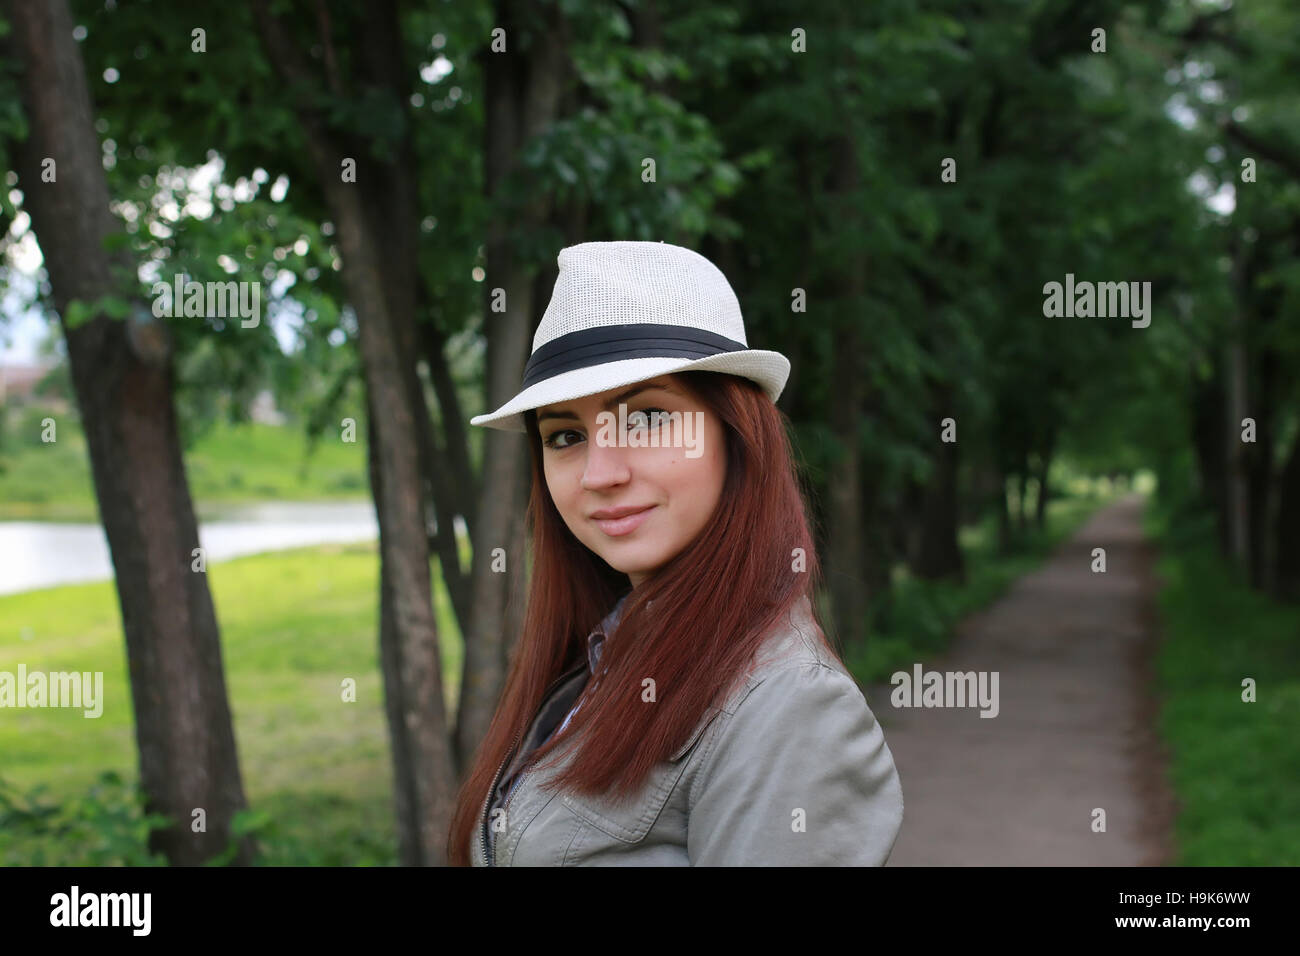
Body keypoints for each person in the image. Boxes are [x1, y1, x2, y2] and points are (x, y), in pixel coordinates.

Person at [446, 240, 903, 866]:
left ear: (737, 435)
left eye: (647, 418)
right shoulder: (597, 656)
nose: (598, 473)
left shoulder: (790, 706)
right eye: (567, 436)